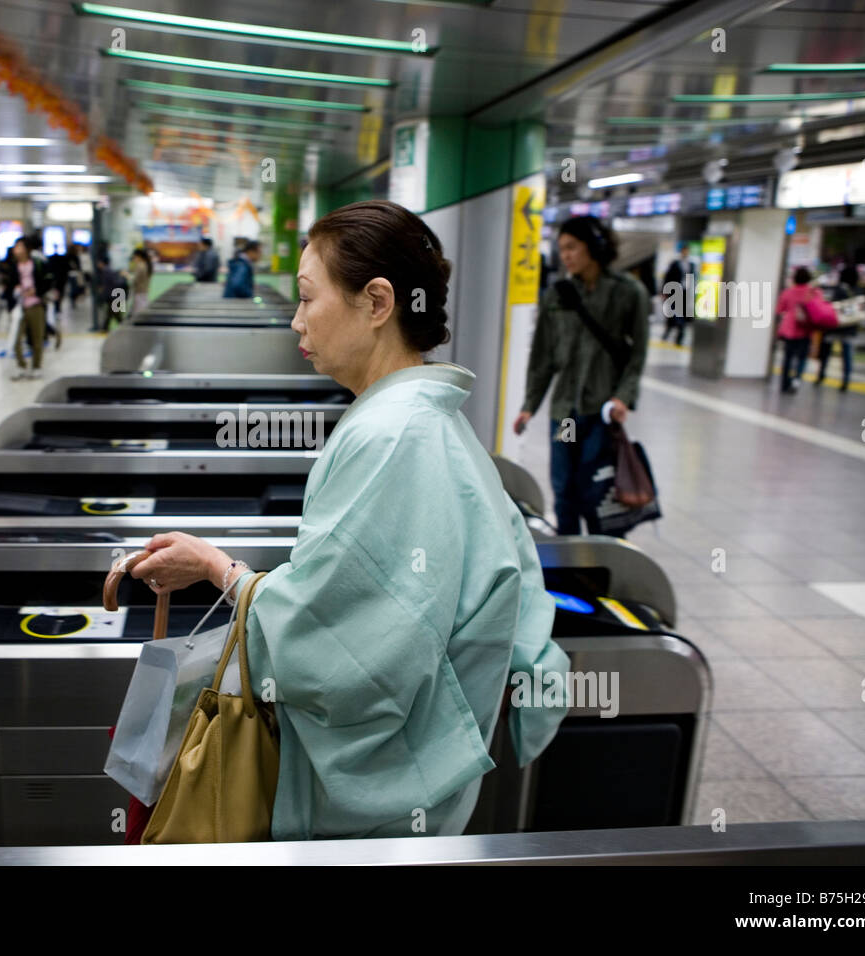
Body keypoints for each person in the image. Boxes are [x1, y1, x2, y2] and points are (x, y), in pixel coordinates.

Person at [125, 199, 569, 840]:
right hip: (427, 791)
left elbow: (339, 643)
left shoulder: (391, 437)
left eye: (308, 299)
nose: (296, 320)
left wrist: (217, 569)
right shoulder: (435, 422)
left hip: (372, 816)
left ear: (378, 303)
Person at [514, 216, 650, 535]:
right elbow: (543, 357)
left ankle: (607, 564)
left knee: (599, 492)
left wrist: (623, 397)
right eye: (562, 249)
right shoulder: (556, 294)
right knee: (565, 492)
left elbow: (638, 354)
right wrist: (529, 405)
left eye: (573, 247)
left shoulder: (628, 293)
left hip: (602, 413)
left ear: (595, 247)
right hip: (566, 416)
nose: (566, 256)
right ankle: (572, 567)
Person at [0, 235, 54, 379]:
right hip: (19, 306)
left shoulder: (37, 263)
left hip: (35, 304)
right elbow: (8, 286)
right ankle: (21, 365)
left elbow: (48, 281)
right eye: (16, 247)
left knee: (37, 337)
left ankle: (36, 366)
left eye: (20, 247)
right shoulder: (13, 267)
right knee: (16, 338)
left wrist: (36, 290)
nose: (16, 250)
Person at [774, 266, 827, 394]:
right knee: (802, 357)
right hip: (806, 329)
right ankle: (796, 380)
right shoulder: (814, 292)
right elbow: (820, 308)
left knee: (788, 357)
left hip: (789, 329)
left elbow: (779, 309)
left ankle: (784, 384)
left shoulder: (788, 292)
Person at [816, 264, 859, 391]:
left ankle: (821, 375)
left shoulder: (838, 290)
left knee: (826, 353)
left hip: (834, 326)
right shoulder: (857, 291)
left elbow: (830, 305)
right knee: (847, 355)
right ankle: (846, 379)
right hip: (850, 327)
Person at [660, 245, 693, 345]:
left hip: (685, 292)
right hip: (674, 291)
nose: (685, 253)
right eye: (684, 251)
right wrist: (664, 291)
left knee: (681, 313)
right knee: (672, 313)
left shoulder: (691, 265)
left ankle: (680, 335)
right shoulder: (675, 264)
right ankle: (670, 331)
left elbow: (691, 279)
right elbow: (667, 277)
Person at [128, 246, 152, 318]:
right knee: (141, 313)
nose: (134, 259)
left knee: (139, 315)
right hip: (143, 293)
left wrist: (126, 275)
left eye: (134, 257)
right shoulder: (146, 264)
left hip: (139, 293)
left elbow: (135, 279)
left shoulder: (140, 265)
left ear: (139, 257)